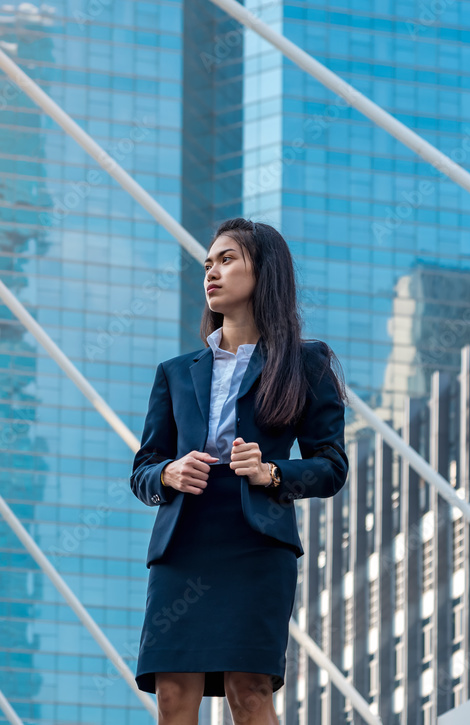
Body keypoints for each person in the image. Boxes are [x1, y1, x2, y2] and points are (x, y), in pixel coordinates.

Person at [131, 218, 349, 724]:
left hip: (256, 542)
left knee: (248, 691)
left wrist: (271, 472)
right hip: (184, 539)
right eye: (208, 263)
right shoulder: (174, 372)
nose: (212, 272)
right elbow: (143, 468)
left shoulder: (306, 363)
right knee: (172, 694)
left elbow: (331, 466)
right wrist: (168, 473)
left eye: (227, 260)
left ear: (265, 271)